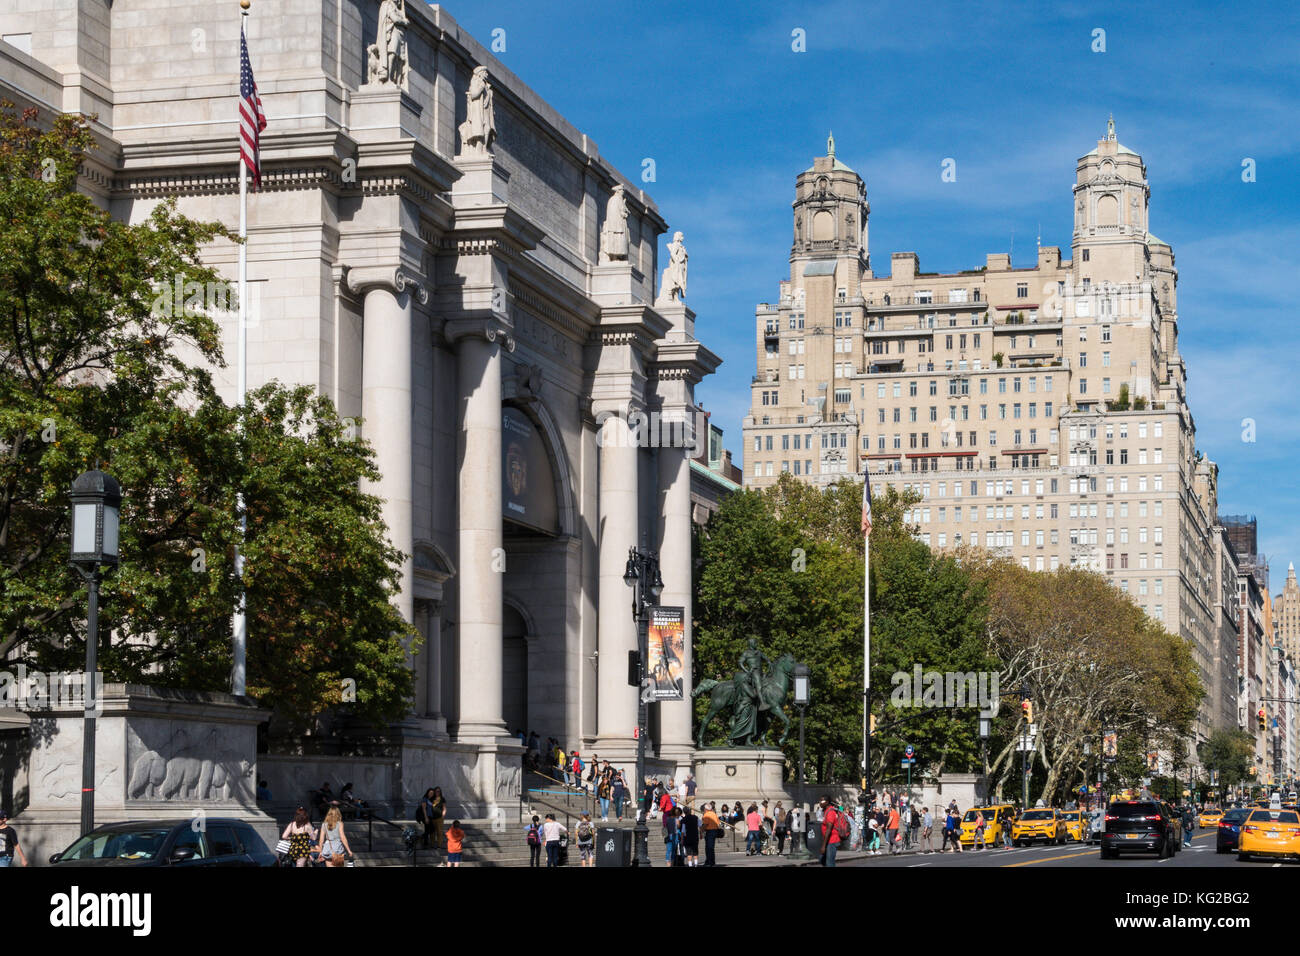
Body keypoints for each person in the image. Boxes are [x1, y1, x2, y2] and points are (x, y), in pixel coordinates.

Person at [820, 796, 843, 867]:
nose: (820, 803)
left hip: (832, 841)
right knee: (824, 860)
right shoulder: (827, 811)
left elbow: (829, 829)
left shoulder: (830, 812)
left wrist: (823, 846)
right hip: (829, 841)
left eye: (821, 801)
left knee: (830, 863)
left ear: (827, 802)